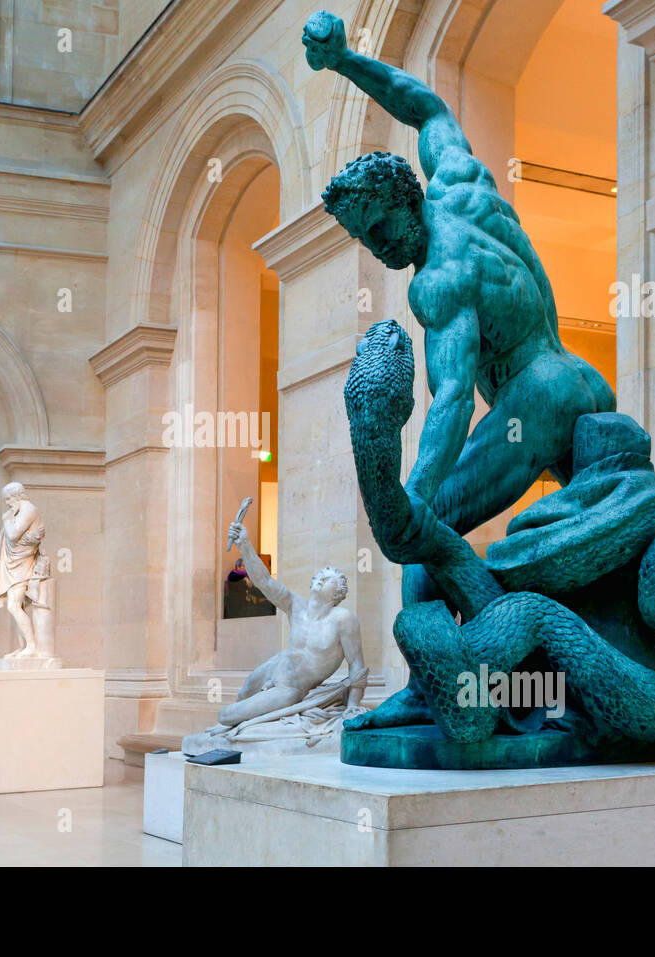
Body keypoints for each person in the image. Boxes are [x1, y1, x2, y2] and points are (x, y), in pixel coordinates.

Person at [303, 10, 615, 543]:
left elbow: (453, 398)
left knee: (426, 539)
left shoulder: (438, 281)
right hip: (587, 383)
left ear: (406, 199)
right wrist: (344, 60)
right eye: (365, 240)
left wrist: (414, 500)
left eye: (379, 229)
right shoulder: (460, 184)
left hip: (538, 399)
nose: (378, 249)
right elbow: (425, 109)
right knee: (605, 550)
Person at [219, 521, 366, 728]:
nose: (321, 577)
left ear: (338, 594)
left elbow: (357, 666)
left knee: (225, 716)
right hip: (276, 666)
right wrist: (245, 545)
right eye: (320, 575)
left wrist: (352, 705)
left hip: (290, 688)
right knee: (243, 694)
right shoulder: (296, 605)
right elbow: (265, 582)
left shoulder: (342, 619)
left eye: (330, 577)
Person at [0, 482, 50, 659]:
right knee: (18, 606)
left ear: (17, 495)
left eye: (9, 498)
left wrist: (7, 520)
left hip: (22, 562)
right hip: (14, 561)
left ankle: (32, 646)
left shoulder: (29, 510)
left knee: (14, 605)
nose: (8, 503)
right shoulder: (18, 511)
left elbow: (14, 534)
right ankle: (24, 645)